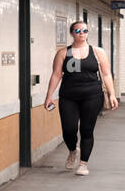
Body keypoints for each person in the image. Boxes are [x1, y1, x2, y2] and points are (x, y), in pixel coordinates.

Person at [43, 21, 119, 175]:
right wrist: (49, 96)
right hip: (68, 96)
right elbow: (56, 75)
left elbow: (106, 74)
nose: (82, 33)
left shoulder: (97, 52)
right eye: (78, 31)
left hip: (92, 95)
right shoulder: (64, 53)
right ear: (72, 33)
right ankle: (72, 150)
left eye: (85, 30)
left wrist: (112, 94)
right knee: (69, 129)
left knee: (86, 129)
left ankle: (83, 164)